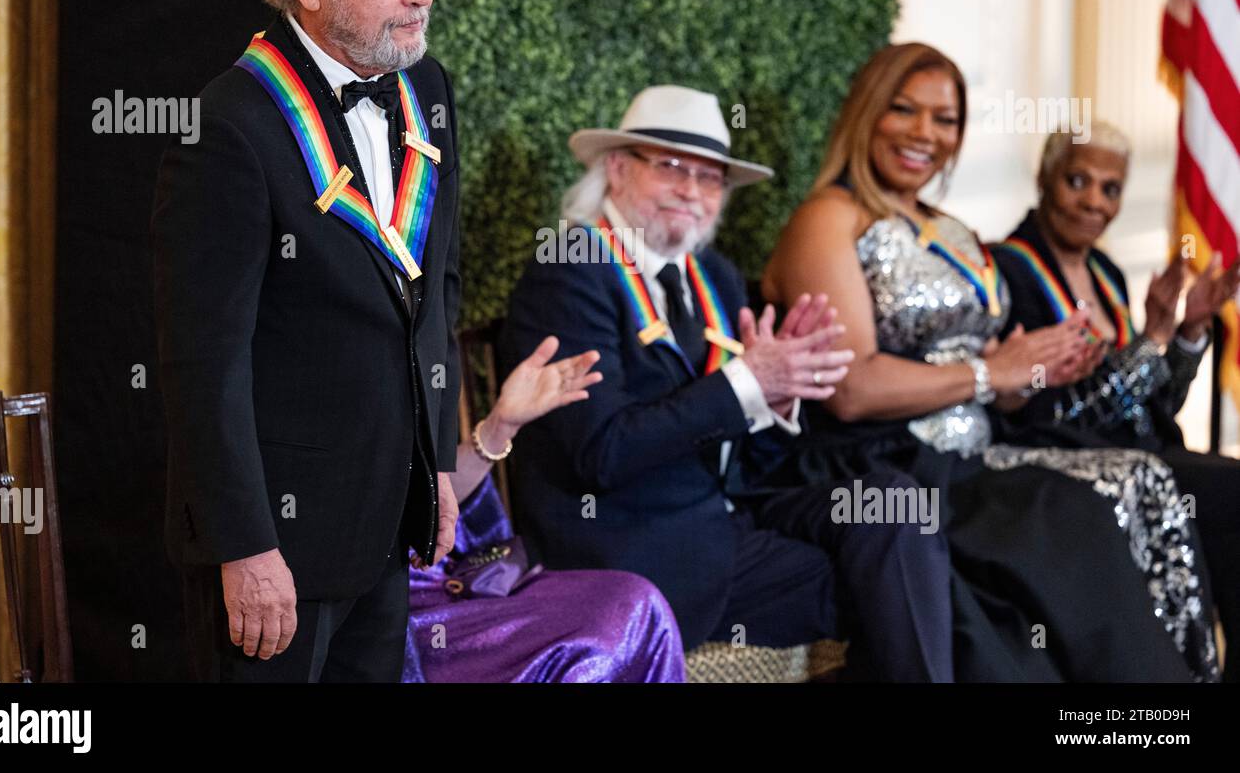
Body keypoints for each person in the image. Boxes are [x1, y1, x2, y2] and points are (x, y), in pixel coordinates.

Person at [762, 42, 1219, 681]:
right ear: (867, 113)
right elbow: (851, 388)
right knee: (1081, 508)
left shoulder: (947, 226)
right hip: (884, 457)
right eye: (904, 110)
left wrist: (1031, 368)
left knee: (1137, 485)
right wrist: (990, 374)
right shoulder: (828, 218)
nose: (925, 133)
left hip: (976, 446)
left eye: (944, 119)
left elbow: (996, 376)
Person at [499, 85, 957, 682]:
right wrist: (746, 383)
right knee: (898, 595)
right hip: (633, 548)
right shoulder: (571, 267)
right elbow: (601, 453)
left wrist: (778, 400)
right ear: (616, 168)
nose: (692, 191)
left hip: (728, 519)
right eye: (671, 168)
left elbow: (744, 456)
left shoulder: (713, 275)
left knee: (898, 506)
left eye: (710, 178)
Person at [153, 0, 462, 682]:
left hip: (386, 526)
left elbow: (437, 295)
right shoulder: (230, 126)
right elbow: (203, 362)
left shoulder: (426, 87)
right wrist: (246, 543)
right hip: (275, 550)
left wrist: (438, 461)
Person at [992, 122, 1240, 680]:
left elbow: (1156, 404)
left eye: (1110, 188)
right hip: (1066, 460)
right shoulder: (1008, 269)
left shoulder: (1103, 271)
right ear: (1045, 180)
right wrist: (1149, 342)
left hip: (1143, 451)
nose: (1094, 202)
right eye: (1077, 180)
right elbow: (1050, 414)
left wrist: (1186, 334)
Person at [403, 335, 687, 682]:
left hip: (458, 577)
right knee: (592, 646)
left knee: (638, 602)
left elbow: (433, 492)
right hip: (396, 609)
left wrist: (498, 427)